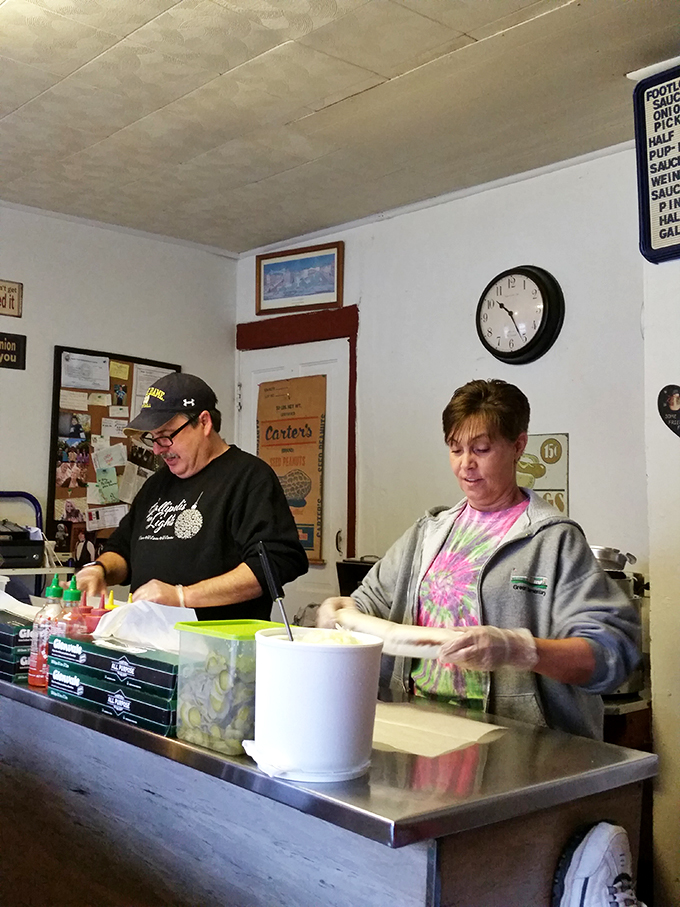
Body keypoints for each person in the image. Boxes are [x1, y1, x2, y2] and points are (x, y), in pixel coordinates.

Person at [318, 379, 640, 741]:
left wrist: (521, 650)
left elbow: (614, 652)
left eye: (481, 449)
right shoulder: (428, 533)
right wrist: (340, 612)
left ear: (518, 446)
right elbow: (367, 604)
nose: (466, 465)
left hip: (519, 748)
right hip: (420, 734)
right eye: (455, 450)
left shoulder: (553, 541)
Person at [76, 372, 308, 620]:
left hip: (218, 649)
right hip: (149, 641)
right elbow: (122, 550)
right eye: (152, 438)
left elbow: (276, 562)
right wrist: (100, 570)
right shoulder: (156, 485)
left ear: (204, 423)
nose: (157, 449)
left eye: (166, 435)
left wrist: (182, 597)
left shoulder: (249, 478)